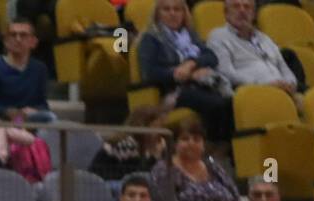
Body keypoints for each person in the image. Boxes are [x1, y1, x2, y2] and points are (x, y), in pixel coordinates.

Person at [138, 0, 231, 142]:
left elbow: (211, 57)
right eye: (166, 9)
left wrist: (191, 64)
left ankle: (227, 151)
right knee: (216, 104)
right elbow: (149, 72)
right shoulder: (150, 39)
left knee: (232, 102)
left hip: (198, 84)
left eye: (177, 9)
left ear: (184, 13)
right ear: (158, 14)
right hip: (173, 91)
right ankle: (214, 149)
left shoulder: (190, 34)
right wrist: (178, 74)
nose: (172, 14)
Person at [150, 116, 245, 201]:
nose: (191, 143)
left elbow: (234, 197)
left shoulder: (213, 166)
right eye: (185, 139)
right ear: (174, 144)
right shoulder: (164, 169)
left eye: (197, 139)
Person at [207, 0, 302, 108]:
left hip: (283, 91)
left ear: (253, 14)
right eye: (236, 6)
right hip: (252, 93)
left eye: (247, 7)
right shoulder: (218, 37)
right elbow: (226, 73)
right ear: (226, 13)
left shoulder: (265, 39)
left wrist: (290, 84)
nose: (242, 11)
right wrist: (266, 85)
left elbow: (283, 67)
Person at [0, 19, 56, 123]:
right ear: (5, 41)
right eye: (13, 35)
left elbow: (42, 103)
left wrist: (35, 110)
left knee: (50, 118)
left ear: (34, 42)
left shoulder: (40, 69)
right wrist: (7, 111)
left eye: (23, 35)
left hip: (29, 121)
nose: (18, 39)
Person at [89, 105, 168, 184]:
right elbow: (134, 179)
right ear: (144, 126)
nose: (161, 132)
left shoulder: (148, 145)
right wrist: (154, 157)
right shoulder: (128, 144)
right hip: (102, 185)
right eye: (157, 127)